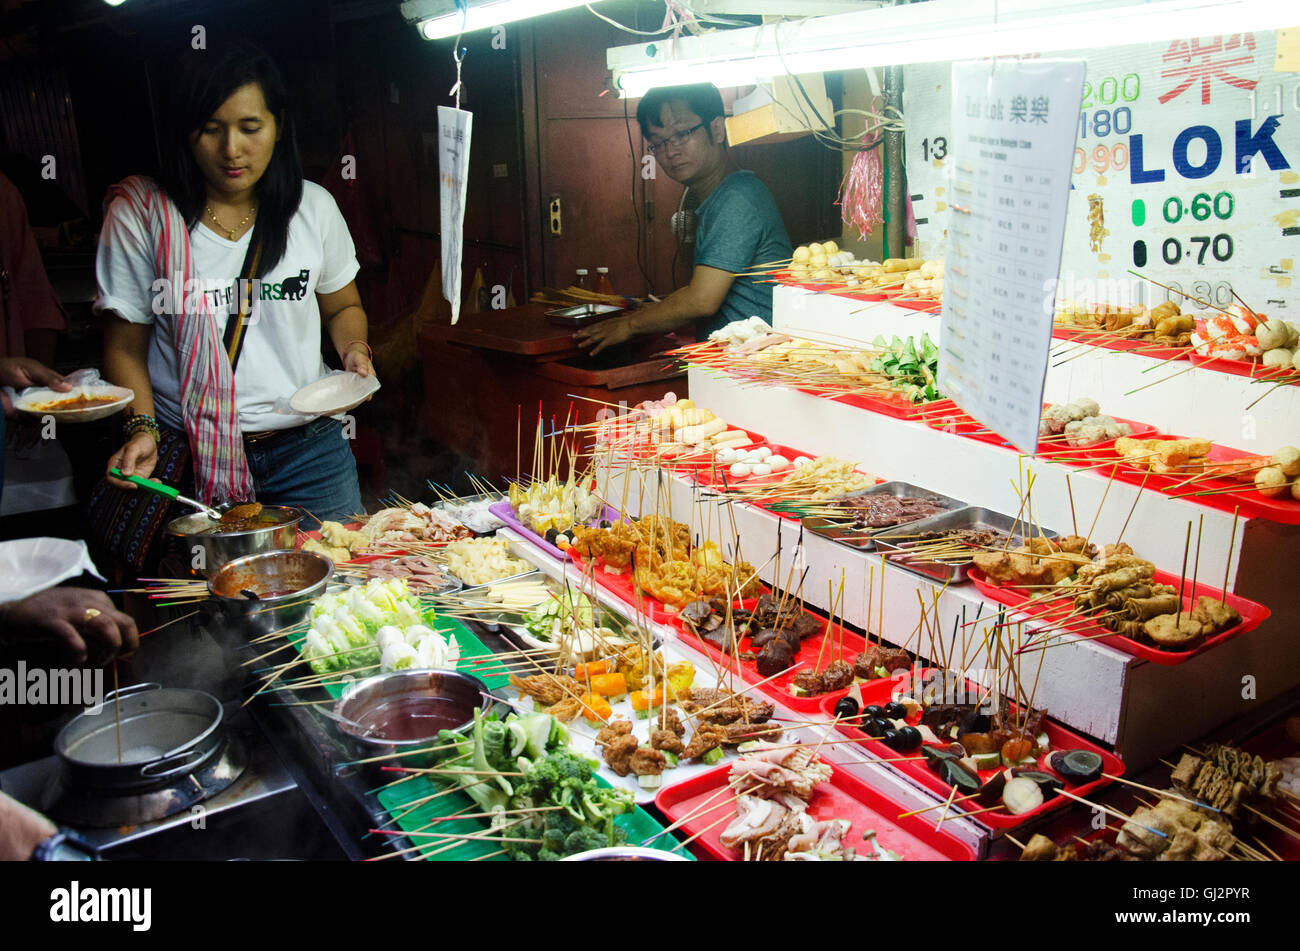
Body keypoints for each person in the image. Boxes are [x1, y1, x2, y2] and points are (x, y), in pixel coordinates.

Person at [92, 43, 372, 569]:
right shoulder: (142, 216)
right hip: (190, 455)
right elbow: (123, 346)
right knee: (215, 615)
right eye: (210, 127)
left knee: (339, 590)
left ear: (278, 125)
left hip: (308, 452)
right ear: (185, 130)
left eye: (249, 126)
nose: (231, 149)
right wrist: (142, 429)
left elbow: (342, 306)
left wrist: (354, 349)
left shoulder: (313, 208)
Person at [577, 83, 791, 355]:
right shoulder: (716, 198)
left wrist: (629, 325)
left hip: (757, 366)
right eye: (659, 143)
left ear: (716, 129)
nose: (671, 151)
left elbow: (701, 300)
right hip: (735, 360)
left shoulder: (737, 198)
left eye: (681, 134)